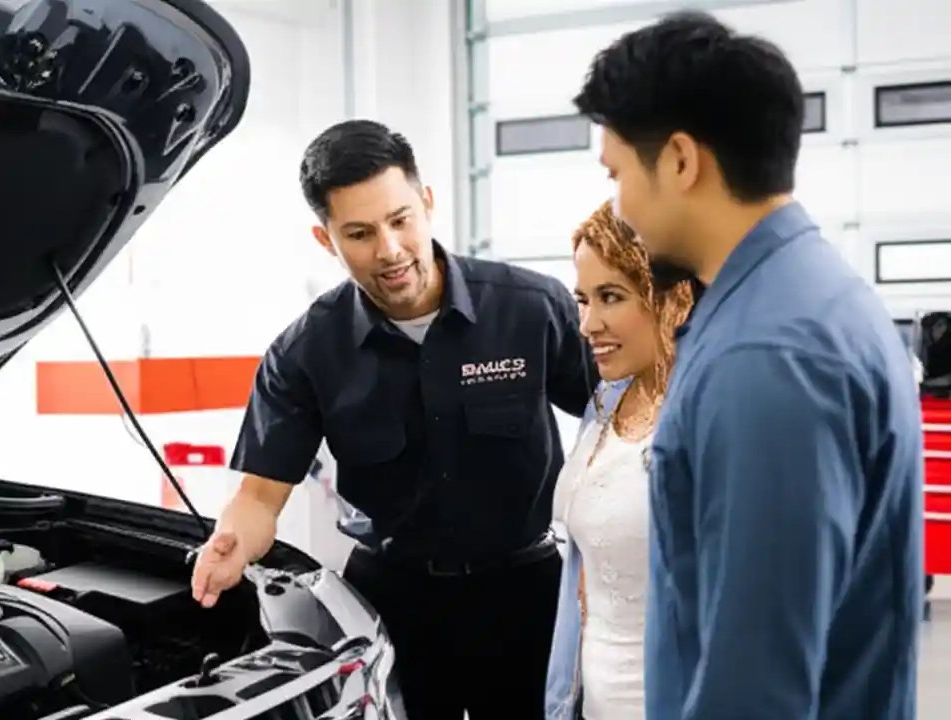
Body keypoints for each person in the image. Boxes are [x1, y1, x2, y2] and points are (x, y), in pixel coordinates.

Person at [573, 11, 925, 720]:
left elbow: (757, 682)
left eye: (618, 175)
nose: (622, 208)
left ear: (679, 159)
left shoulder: (767, 356)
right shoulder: (798, 298)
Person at [189, 118, 597, 719]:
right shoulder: (307, 351)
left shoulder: (532, 309)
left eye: (400, 219)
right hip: (392, 602)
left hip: (525, 592)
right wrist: (231, 543)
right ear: (325, 238)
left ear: (426, 202)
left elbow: (621, 419)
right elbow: (258, 496)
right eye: (358, 232)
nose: (389, 249)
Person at [544, 201, 694, 720]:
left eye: (611, 296)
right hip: (590, 697)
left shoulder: (707, 418)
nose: (587, 324)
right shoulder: (606, 401)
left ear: (671, 295)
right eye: (582, 299)